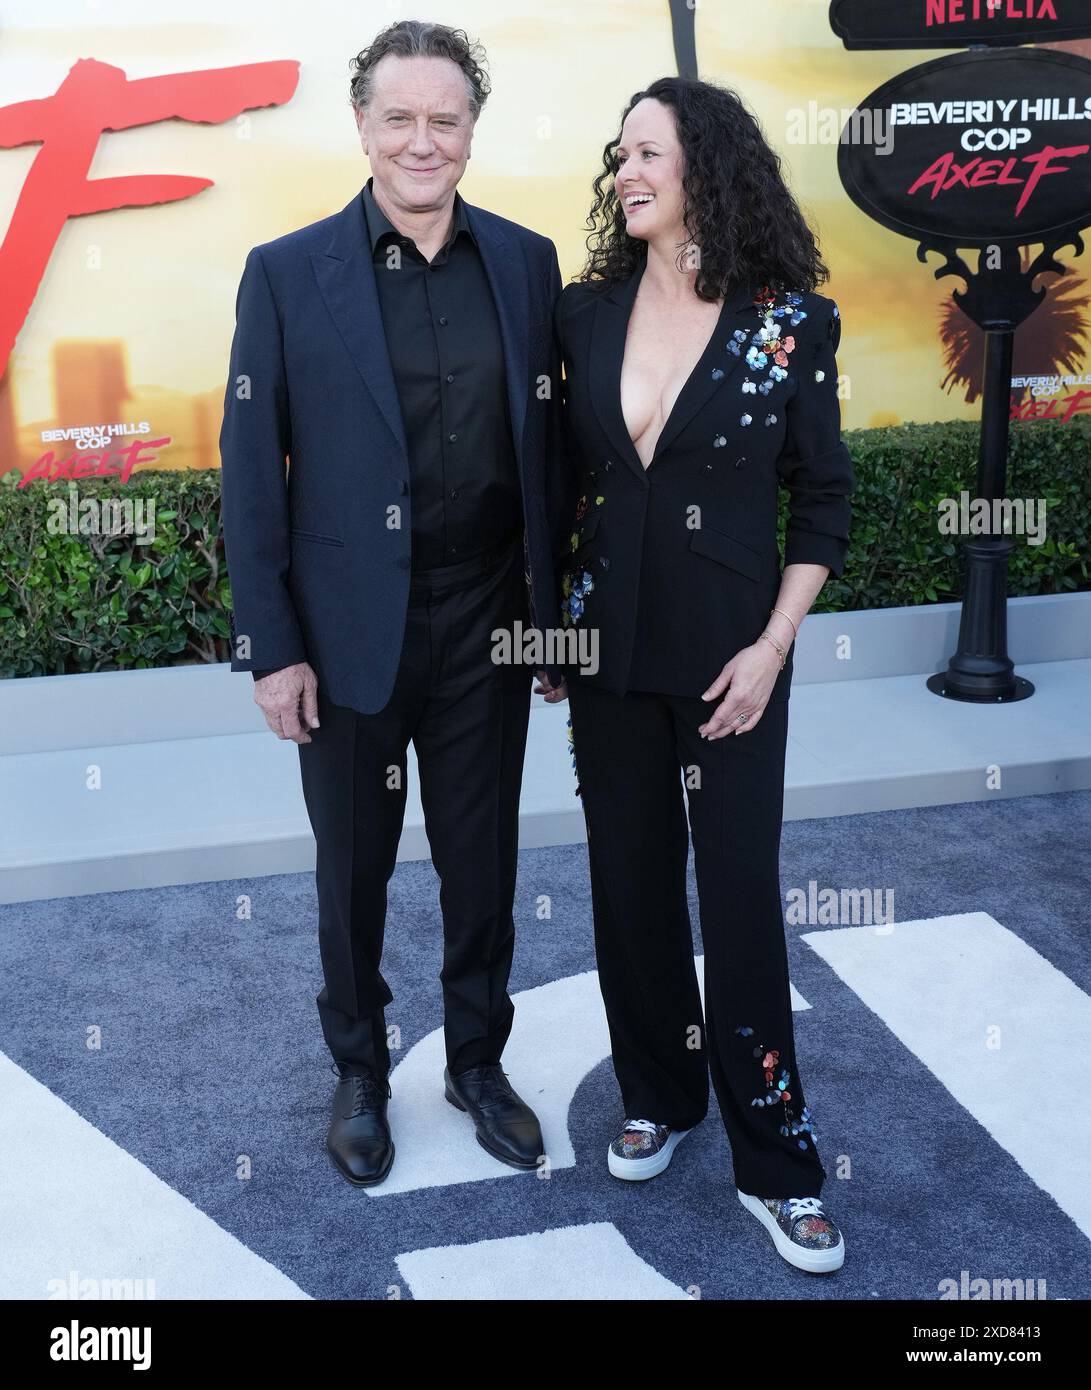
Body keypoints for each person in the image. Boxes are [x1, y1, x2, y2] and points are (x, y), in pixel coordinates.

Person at [219, 20, 571, 1189]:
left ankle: (477, 1062)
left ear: (471, 130)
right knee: (352, 866)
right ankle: (360, 1068)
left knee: (480, 864)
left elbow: (555, 461)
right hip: (347, 631)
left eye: (446, 118)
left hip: (491, 621)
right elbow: (248, 475)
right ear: (362, 125)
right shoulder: (284, 271)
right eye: (400, 118)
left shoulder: (525, 263)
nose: (424, 140)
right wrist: (273, 649)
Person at [554, 77, 854, 1272]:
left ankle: (777, 1161)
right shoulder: (581, 316)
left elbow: (822, 502)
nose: (625, 172)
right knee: (626, 891)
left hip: (735, 663)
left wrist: (772, 645)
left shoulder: (792, 321)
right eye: (617, 154)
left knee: (736, 907)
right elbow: (554, 490)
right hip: (606, 663)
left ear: (708, 170)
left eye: (649, 154)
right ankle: (660, 1094)